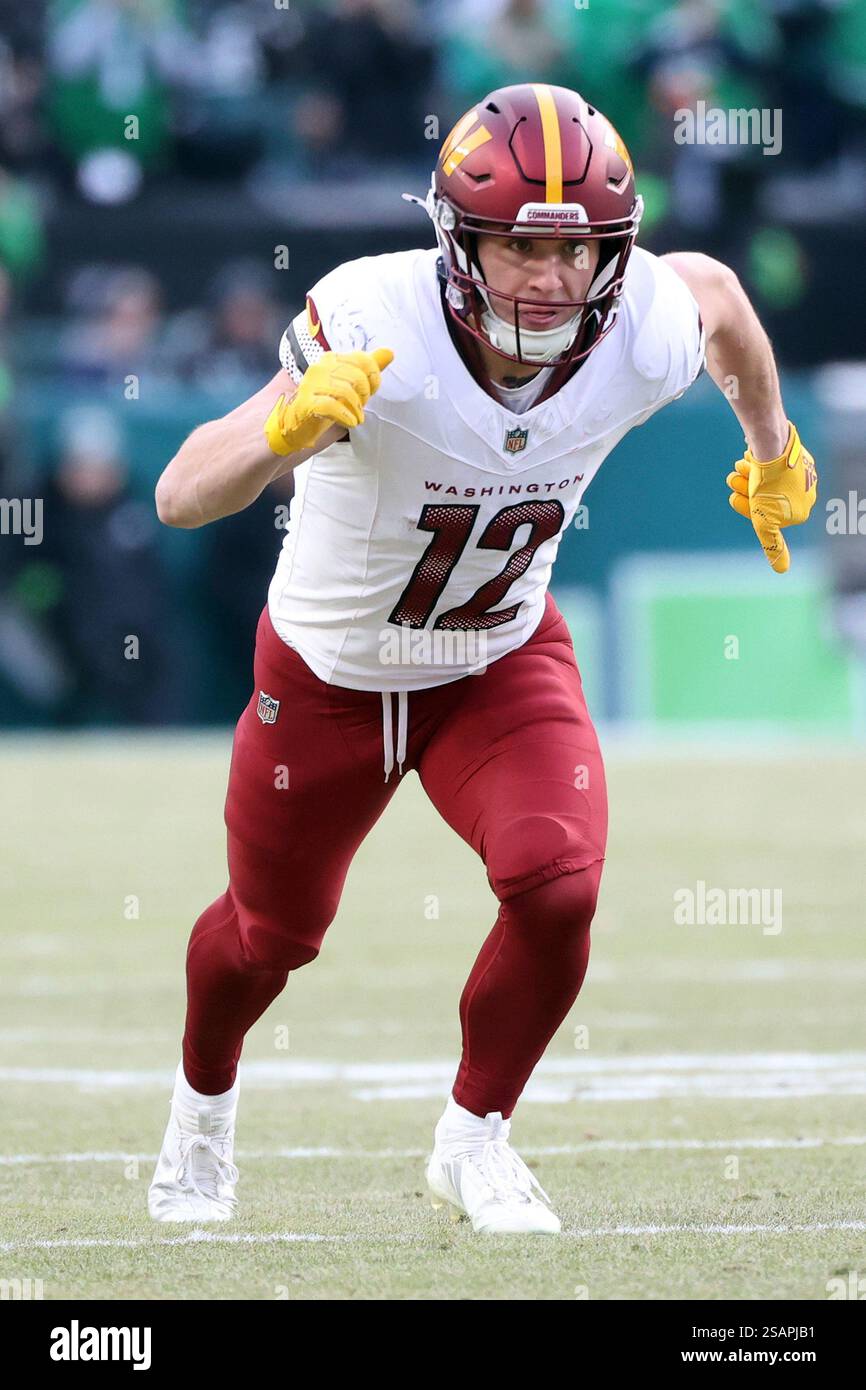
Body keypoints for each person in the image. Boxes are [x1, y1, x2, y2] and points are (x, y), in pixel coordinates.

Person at [147, 83, 817, 1235]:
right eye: (517, 246)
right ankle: (200, 1116)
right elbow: (175, 495)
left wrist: (772, 446)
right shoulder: (371, 317)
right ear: (457, 238)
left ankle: (474, 1141)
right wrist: (282, 429)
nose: (550, 281)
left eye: (579, 252)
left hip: (494, 660)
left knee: (557, 882)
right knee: (273, 937)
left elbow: (719, 303)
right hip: (327, 677)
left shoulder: (642, 322)